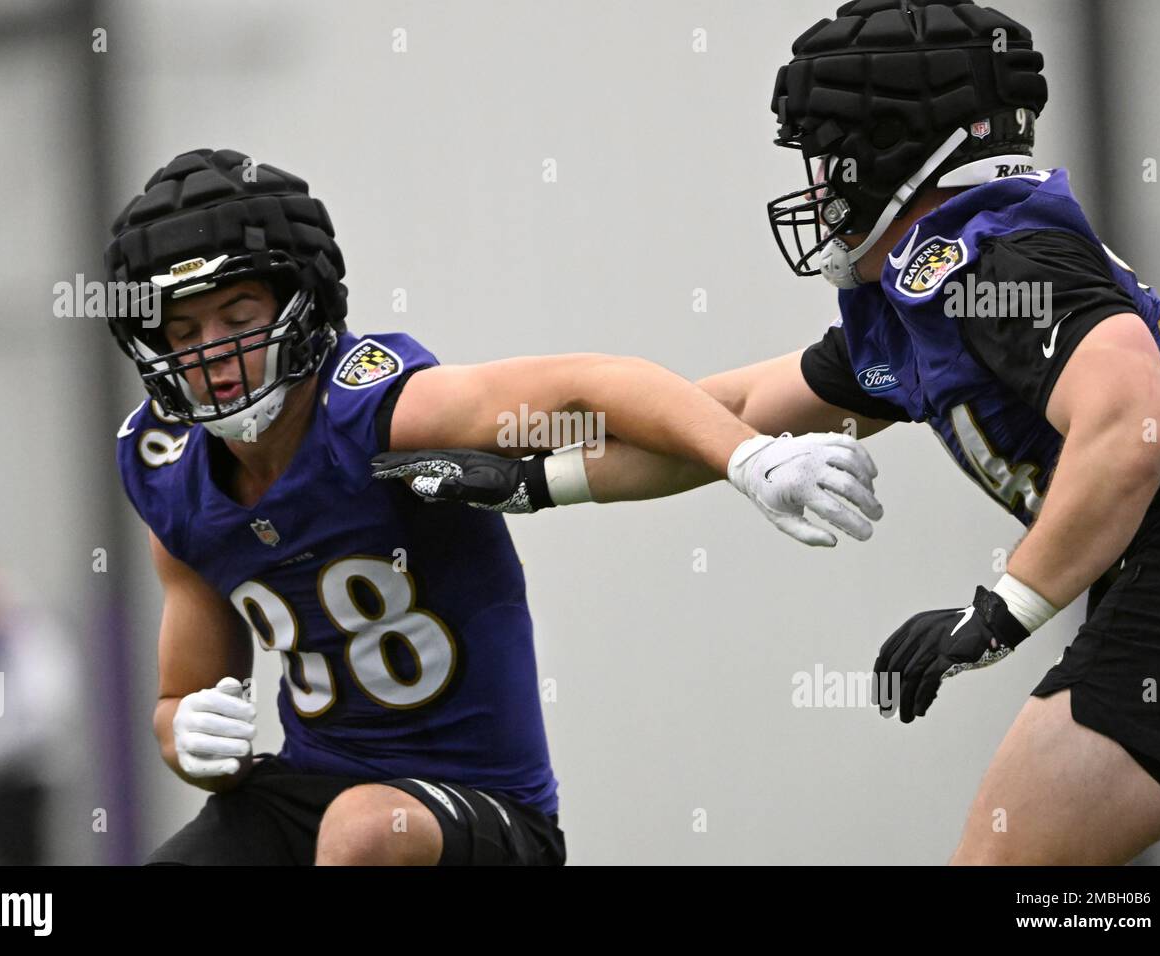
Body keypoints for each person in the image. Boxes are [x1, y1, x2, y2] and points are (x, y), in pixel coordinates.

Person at [373, 0, 1160, 864]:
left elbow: (1133, 428)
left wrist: (1000, 613)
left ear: (897, 150)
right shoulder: (913, 303)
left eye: (829, 162)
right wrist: (533, 477)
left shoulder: (994, 262)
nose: (816, 191)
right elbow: (722, 417)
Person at [105, 148, 883, 865]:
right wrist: (188, 739)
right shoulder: (169, 476)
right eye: (183, 330)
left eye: (239, 319)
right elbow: (181, 700)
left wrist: (745, 456)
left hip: (480, 806)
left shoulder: (379, 413)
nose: (212, 352)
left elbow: (587, 389)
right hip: (307, 787)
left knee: (363, 832)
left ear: (300, 305)